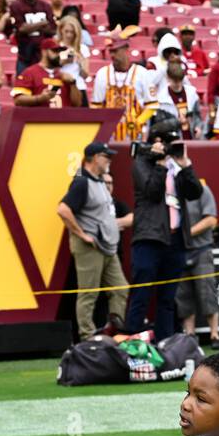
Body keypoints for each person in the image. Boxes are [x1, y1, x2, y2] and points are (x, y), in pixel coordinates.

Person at [126, 114, 202, 338]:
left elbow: (195, 192)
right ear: (157, 141)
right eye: (168, 142)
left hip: (175, 239)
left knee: (168, 296)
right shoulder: (141, 162)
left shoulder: (177, 166)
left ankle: (166, 342)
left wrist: (186, 166)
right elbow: (152, 192)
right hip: (150, 238)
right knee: (142, 291)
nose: (171, 147)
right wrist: (159, 164)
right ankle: (133, 339)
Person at [57, 142, 129, 342]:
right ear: (95, 158)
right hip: (91, 246)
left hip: (107, 246)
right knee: (89, 294)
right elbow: (63, 209)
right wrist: (82, 234)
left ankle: (114, 331)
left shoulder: (97, 180)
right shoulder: (81, 181)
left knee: (121, 288)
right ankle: (87, 338)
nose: (109, 161)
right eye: (107, 157)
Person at [177, 180, 219, 349]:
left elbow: (211, 219)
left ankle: (215, 335)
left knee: (207, 292)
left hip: (201, 250)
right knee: (183, 295)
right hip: (180, 252)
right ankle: (190, 336)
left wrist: (186, 234)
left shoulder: (203, 189)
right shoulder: (172, 194)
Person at [91, 33, 154, 142]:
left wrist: (138, 122)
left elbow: (152, 105)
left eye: (115, 51)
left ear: (126, 49)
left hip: (135, 134)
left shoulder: (142, 73)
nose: (112, 55)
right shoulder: (102, 73)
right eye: (110, 51)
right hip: (109, 134)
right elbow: (96, 106)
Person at [12, 37, 82, 107]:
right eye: (54, 51)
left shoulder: (64, 75)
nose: (58, 54)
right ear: (44, 51)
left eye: (59, 51)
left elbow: (77, 104)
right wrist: (40, 98)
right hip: (39, 116)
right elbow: (18, 100)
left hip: (62, 117)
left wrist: (73, 83)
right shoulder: (30, 73)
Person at [153, 55, 205, 140]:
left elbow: (197, 116)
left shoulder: (192, 94)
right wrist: (177, 122)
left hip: (192, 139)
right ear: (168, 78)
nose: (178, 84)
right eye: (175, 80)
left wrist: (198, 127)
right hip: (173, 141)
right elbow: (159, 126)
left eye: (180, 80)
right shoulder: (161, 98)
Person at [5, 0, 55, 75]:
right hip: (25, 55)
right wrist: (41, 23)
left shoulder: (45, 6)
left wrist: (29, 27)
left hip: (42, 56)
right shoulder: (16, 5)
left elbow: (52, 30)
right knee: (22, 84)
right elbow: (21, 29)